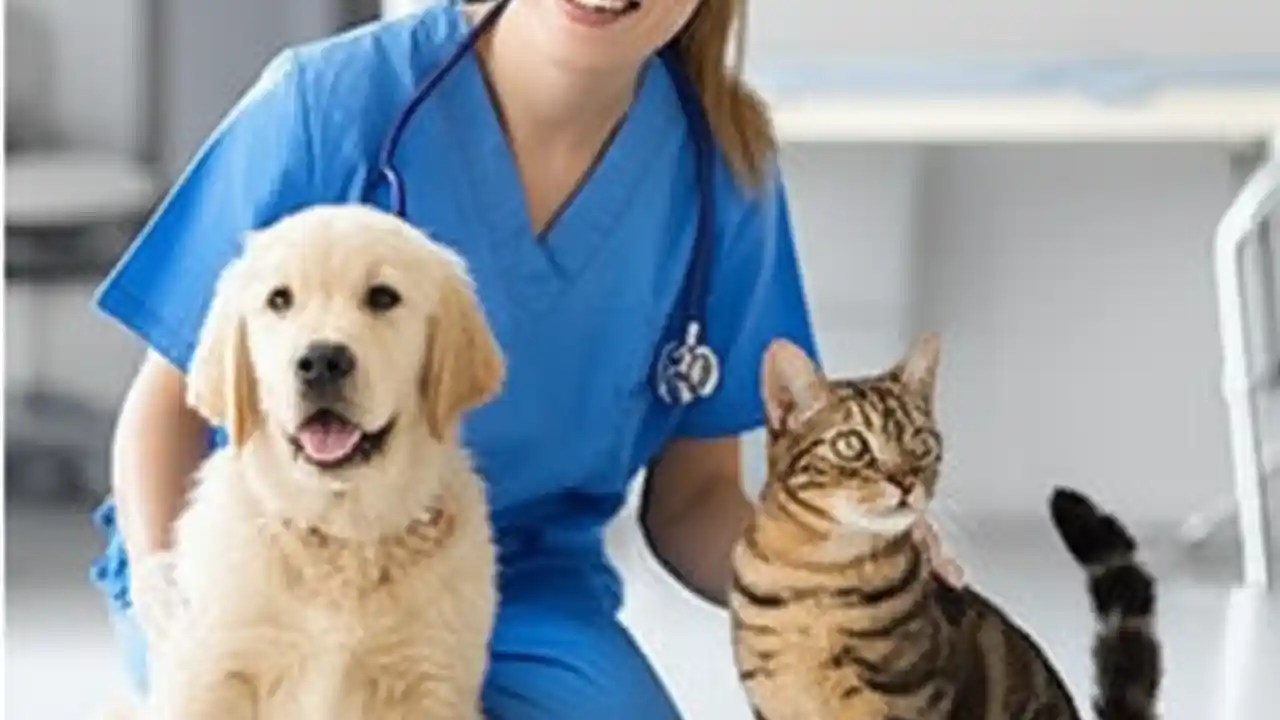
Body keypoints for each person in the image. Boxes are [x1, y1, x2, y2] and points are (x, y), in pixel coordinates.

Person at [89, 1, 941, 716]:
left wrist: (840, 571)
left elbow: (696, 500)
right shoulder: (331, 102)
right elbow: (164, 409)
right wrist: (175, 581)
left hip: (523, 578)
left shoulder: (724, 173)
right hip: (257, 545)